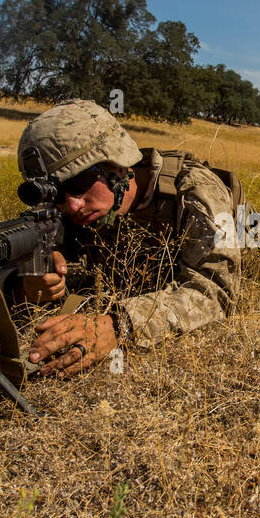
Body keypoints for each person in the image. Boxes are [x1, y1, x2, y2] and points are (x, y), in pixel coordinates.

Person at [18, 99, 241, 378]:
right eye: (57, 194)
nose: (72, 206)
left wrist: (120, 324)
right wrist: (34, 278)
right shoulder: (70, 208)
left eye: (78, 184)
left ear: (117, 165)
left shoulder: (197, 192)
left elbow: (215, 293)